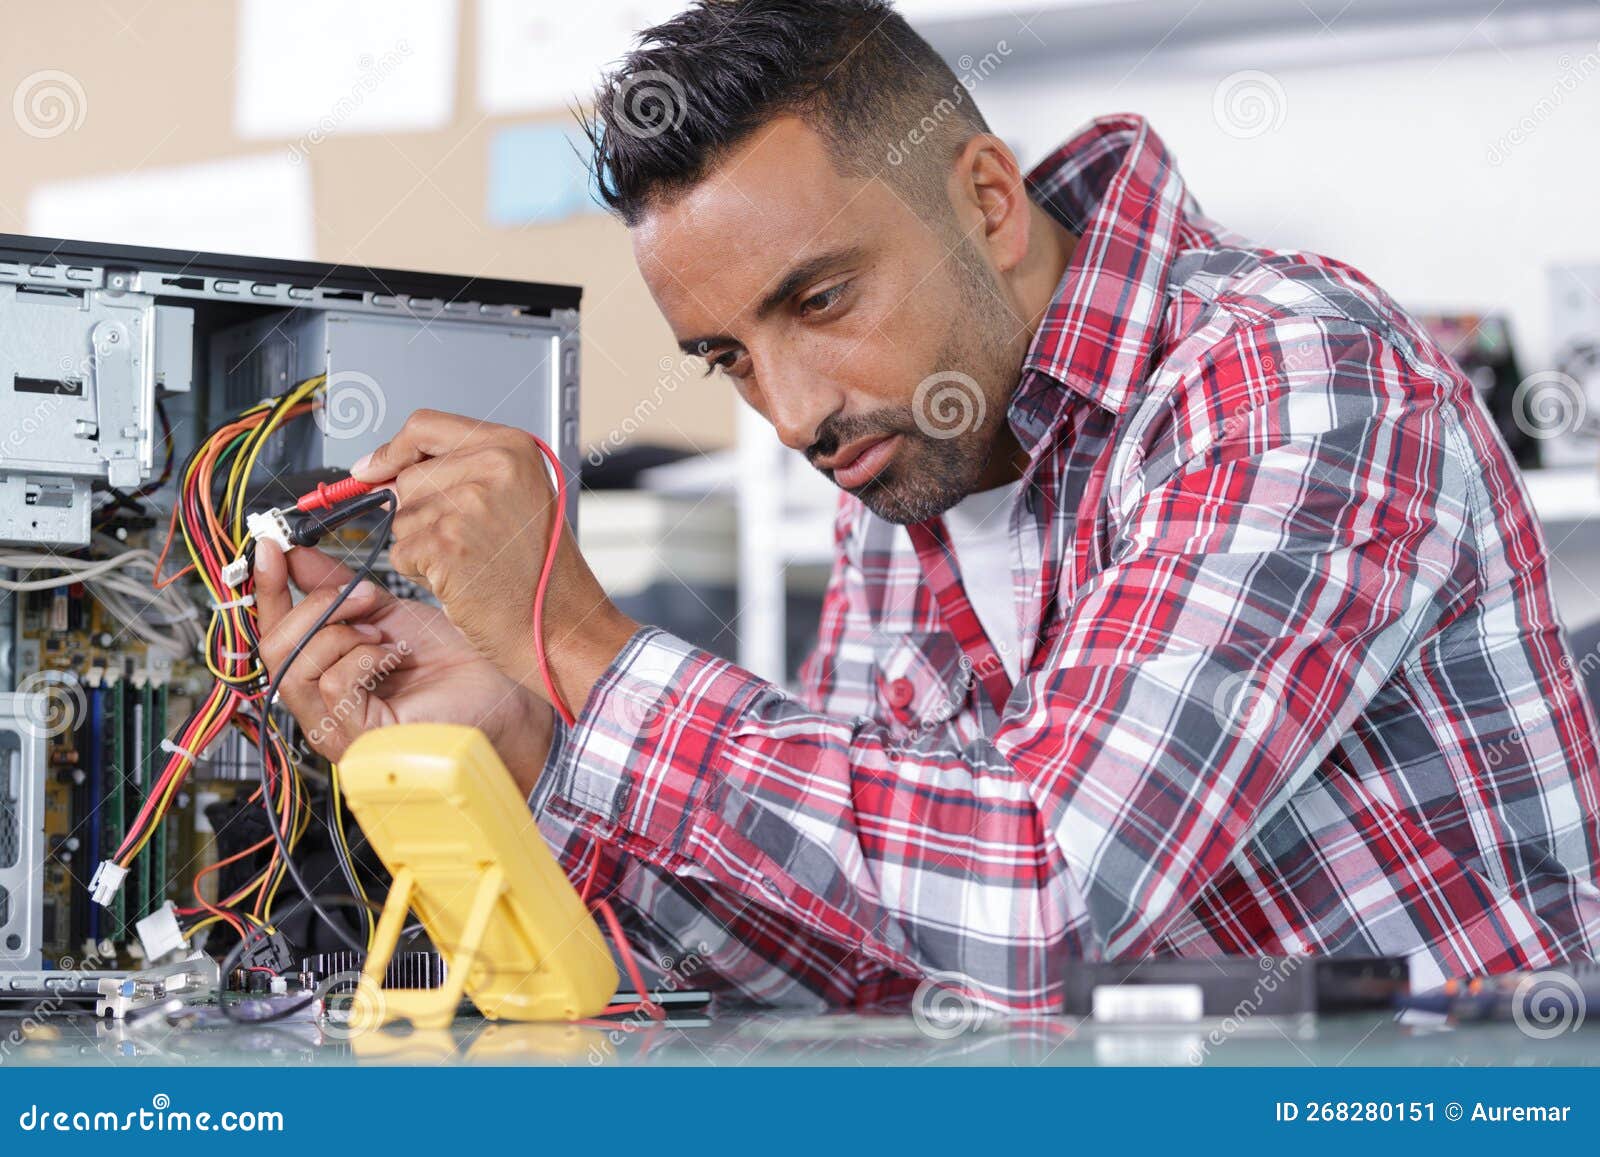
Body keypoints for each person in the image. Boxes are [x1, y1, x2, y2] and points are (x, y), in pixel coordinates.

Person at [256, 0, 1600, 1011]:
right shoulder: (912, 461)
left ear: (988, 200)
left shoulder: (1288, 373)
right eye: (727, 357)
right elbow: (873, 954)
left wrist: (591, 654)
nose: (790, 413)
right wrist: (533, 743)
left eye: (821, 300)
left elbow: (1048, 896)